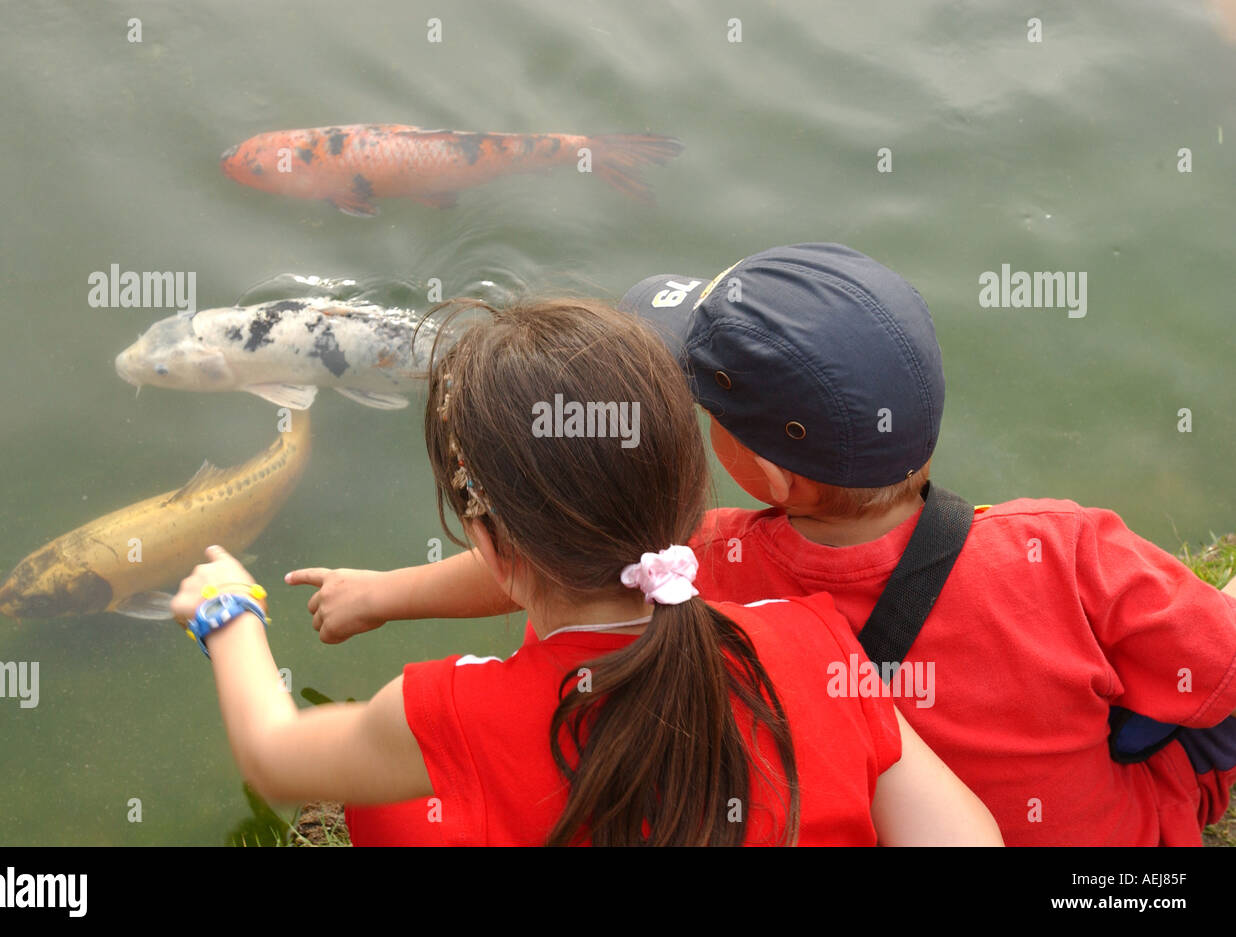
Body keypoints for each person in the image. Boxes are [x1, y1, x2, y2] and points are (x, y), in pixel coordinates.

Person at [288, 247, 1236, 846]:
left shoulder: (721, 557)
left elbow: (559, 558)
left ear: (766, 476)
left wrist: (382, 594)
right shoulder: (1066, 551)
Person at [177, 296, 1002, 846]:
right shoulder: (812, 637)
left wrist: (228, 610)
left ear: (490, 545)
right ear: (693, 503)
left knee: (386, 803)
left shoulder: (453, 709)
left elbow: (275, 754)